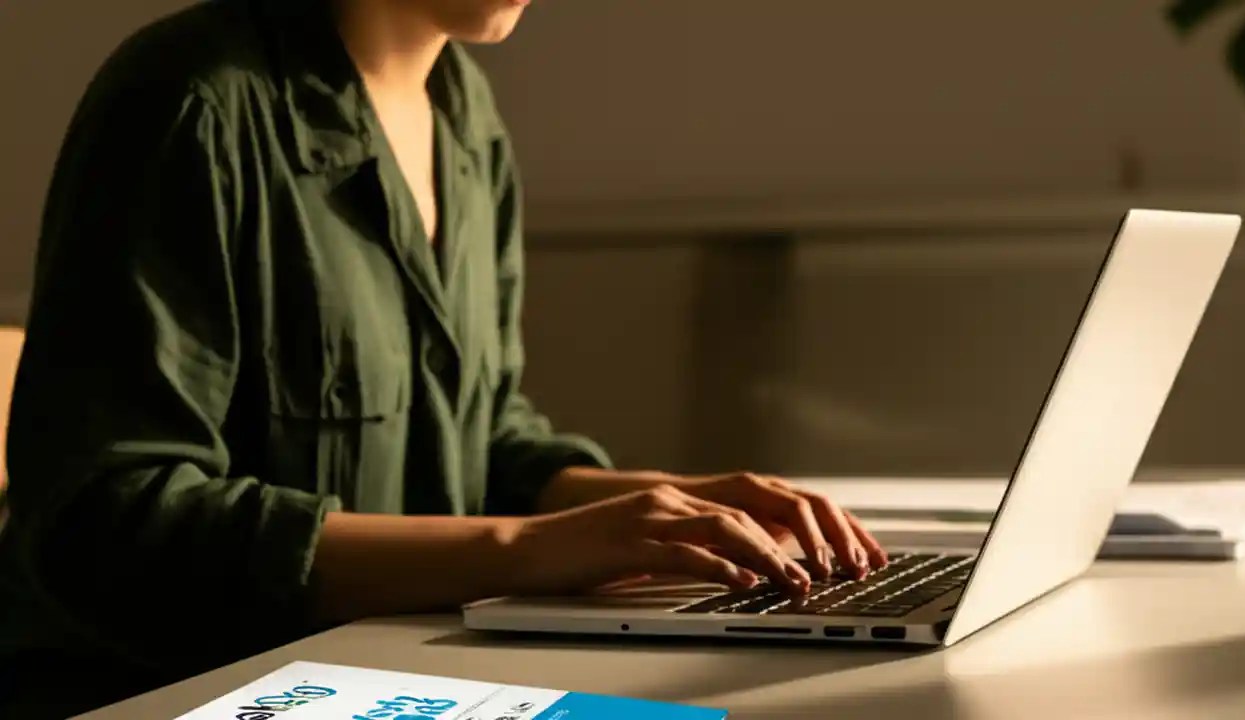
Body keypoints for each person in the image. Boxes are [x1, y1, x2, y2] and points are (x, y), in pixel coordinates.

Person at [0, 0, 886, 715]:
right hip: (176, 694)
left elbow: (483, 439)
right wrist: (524, 549)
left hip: (383, 679)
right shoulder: (192, 98)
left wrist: (663, 511)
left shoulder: (463, 113)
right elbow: (108, 521)